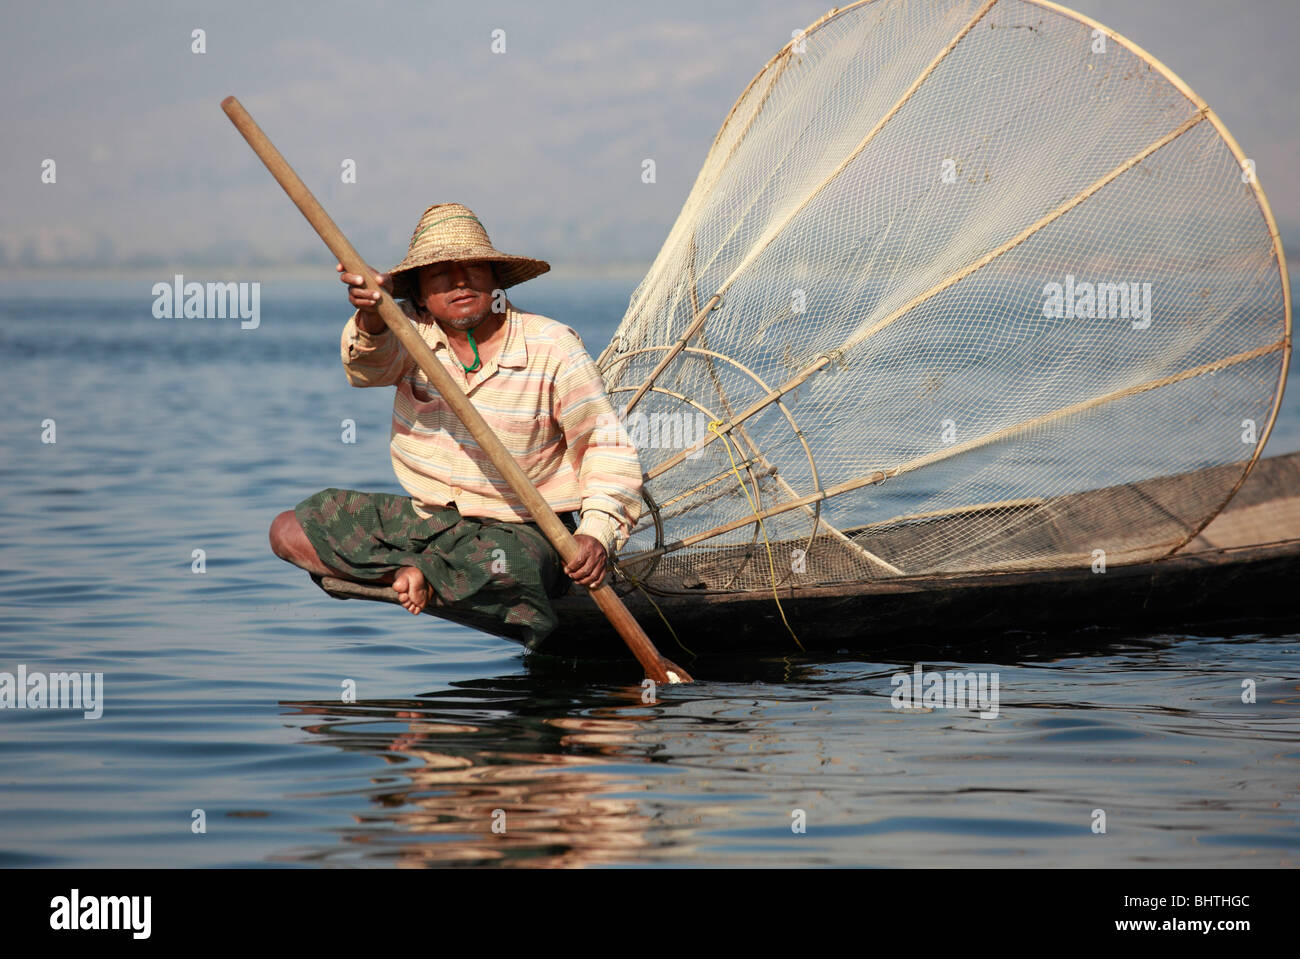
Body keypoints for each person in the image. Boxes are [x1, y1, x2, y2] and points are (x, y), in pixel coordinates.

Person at [268, 203, 643, 647]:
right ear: (421, 295)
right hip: (428, 522)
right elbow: (367, 368)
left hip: (523, 531)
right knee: (290, 529)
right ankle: (407, 573)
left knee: (511, 565)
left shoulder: (552, 346)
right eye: (439, 274)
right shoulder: (409, 331)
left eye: (471, 268)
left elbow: (605, 448)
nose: (459, 281)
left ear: (495, 280)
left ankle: (425, 574)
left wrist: (594, 535)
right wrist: (372, 312)